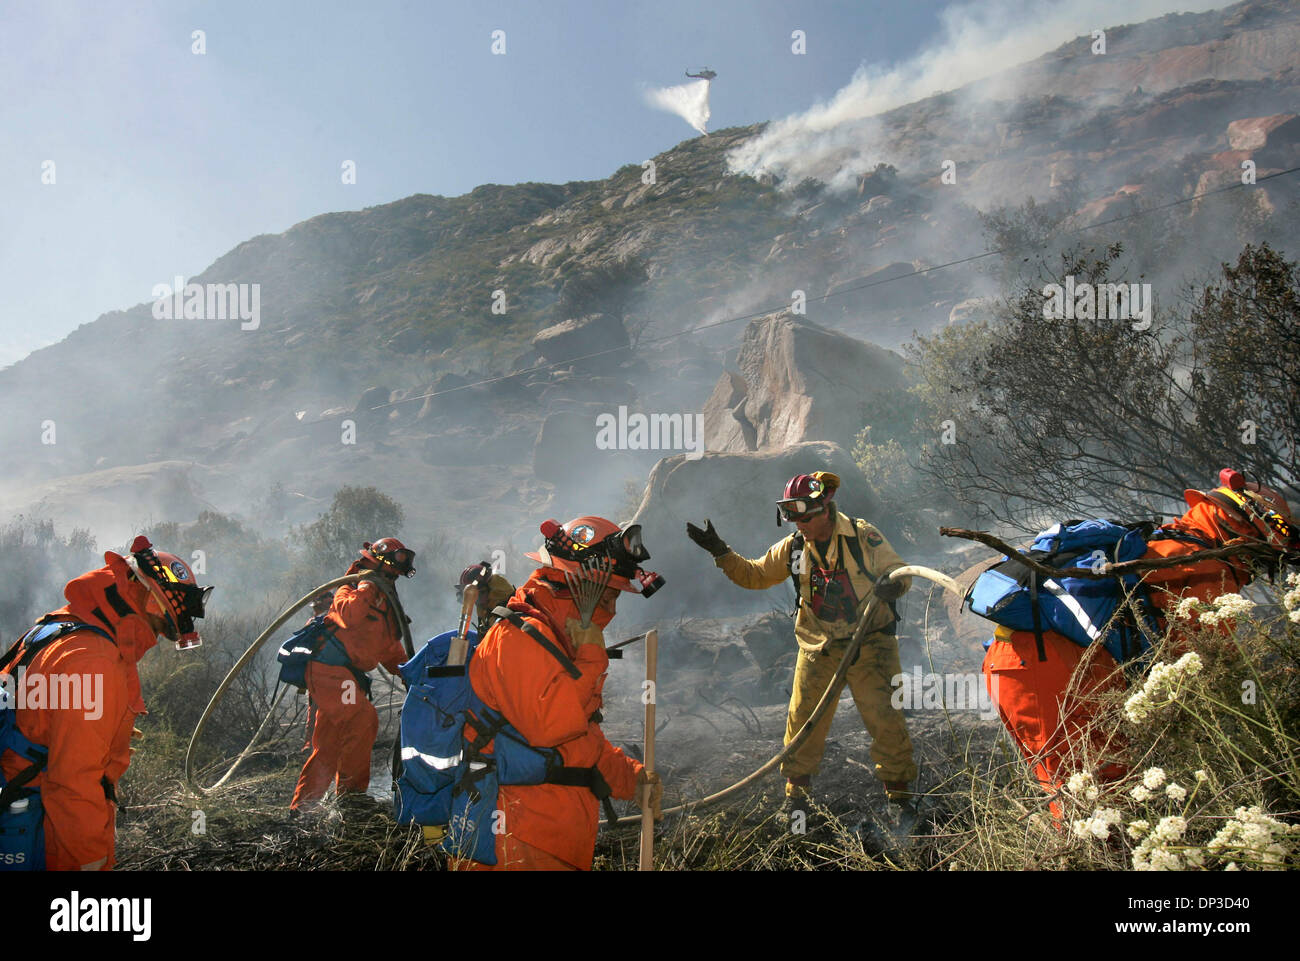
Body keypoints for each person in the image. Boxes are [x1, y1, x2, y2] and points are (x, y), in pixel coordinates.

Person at [982, 469, 1300, 807]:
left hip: (1025, 663)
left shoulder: (1167, 544)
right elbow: (1193, 681)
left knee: (1087, 791)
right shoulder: (1205, 572)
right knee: (1093, 799)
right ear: (1250, 532)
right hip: (1052, 671)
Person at [687, 471, 917, 808]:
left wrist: (893, 586)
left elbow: (899, 571)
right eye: (792, 517)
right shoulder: (794, 547)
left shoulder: (861, 535)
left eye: (805, 517)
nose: (799, 525)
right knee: (801, 725)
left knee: (887, 721)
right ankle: (797, 803)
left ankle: (901, 801)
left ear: (825, 509)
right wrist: (720, 551)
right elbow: (755, 575)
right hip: (818, 647)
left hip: (870, 645)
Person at [453, 516, 663, 870]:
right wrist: (594, 657)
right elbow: (552, 728)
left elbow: (579, 743)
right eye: (610, 595)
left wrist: (631, 779)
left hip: (552, 838)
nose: (611, 609)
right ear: (578, 585)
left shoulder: (555, 639)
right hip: (514, 843)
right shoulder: (516, 638)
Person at [0, 536, 211, 870]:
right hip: (48, 833)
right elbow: (73, 782)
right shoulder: (92, 662)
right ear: (151, 604)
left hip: (22, 805)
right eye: (162, 625)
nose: (157, 636)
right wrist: (90, 861)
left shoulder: (57, 628)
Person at [290, 538, 413, 813]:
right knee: (362, 718)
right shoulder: (350, 588)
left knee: (329, 745)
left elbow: (388, 647)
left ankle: (302, 809)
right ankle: (351, 799)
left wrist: (412, 673)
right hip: (330, 671)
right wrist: (367, 586)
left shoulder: (382, 600)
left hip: (345, 677)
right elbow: (349, 616)